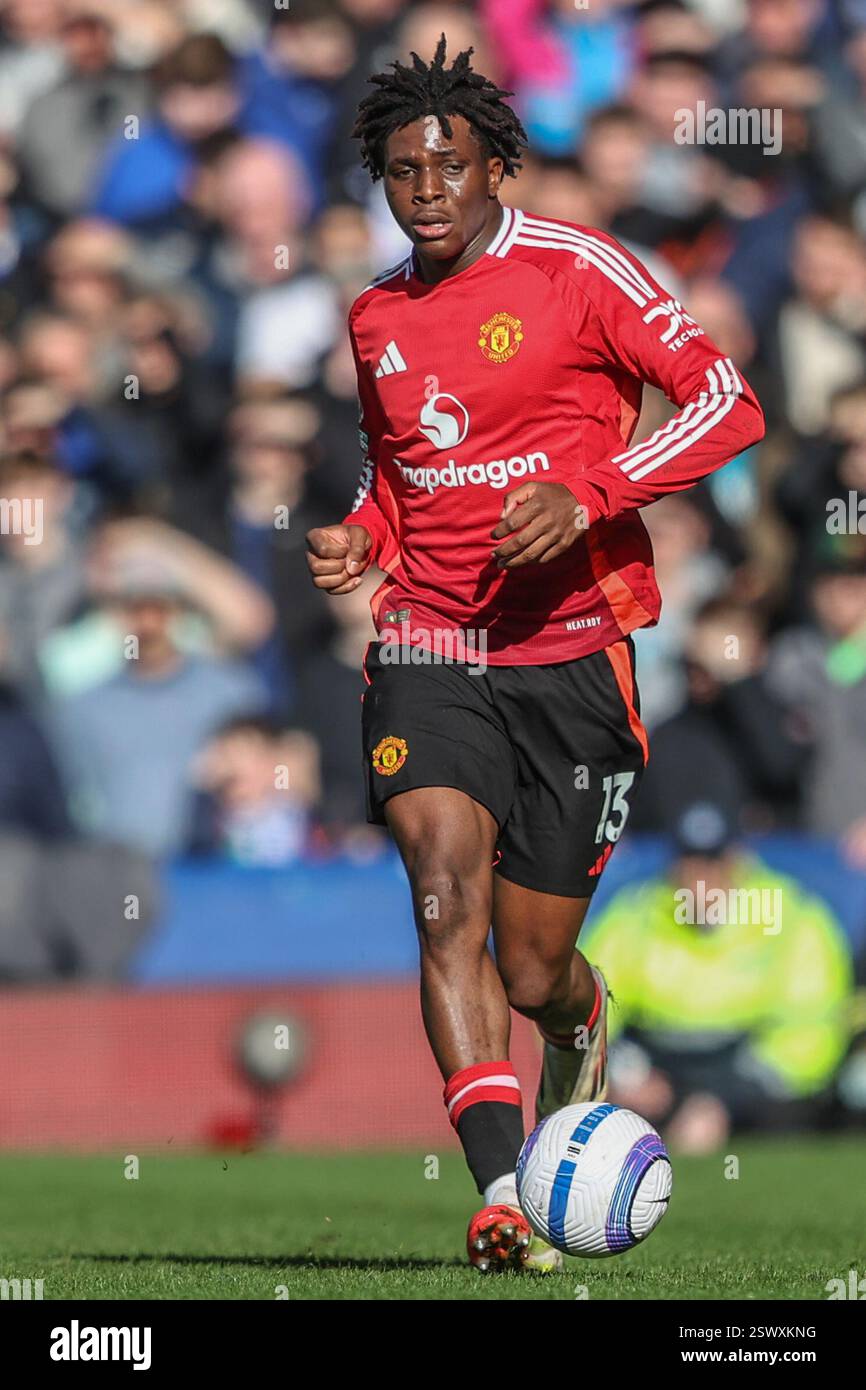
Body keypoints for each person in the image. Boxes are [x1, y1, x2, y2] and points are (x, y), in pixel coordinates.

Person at [305, 35, 764, 1273]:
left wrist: (594, 492)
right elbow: (392, 470)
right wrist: (361, 533)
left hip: (569, 653)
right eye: (402, 172)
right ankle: (501, 1192)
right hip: (430, 638)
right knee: (438, 883)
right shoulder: (374, 315)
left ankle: (582, 1020)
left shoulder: (580, 270)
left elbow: (727, 400)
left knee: (531, 965)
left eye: (448, 165)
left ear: (497, 166)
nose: (427, 191)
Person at [581, 800, 854, 1155]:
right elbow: (588, 1008)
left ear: (737, 862)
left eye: (713, 864)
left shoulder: (792, 917)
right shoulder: (636, 915)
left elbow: (811, 1032)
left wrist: (725, 1100)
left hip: (753, 1086)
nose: (700, 882)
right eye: (690, 864)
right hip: (658, 1078)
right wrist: (622, 1072)